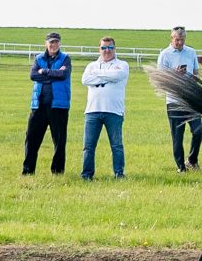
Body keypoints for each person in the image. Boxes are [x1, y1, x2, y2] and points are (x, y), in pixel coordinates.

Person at [80, 36, 129, 180]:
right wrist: (108, 77)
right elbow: (85, 80)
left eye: (110, 48)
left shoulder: (122, 64)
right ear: (99, 49)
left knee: (116, 145)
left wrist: (97, 76)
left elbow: (118, 75)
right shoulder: (91, 65)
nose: (107, 51)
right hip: (92, 111)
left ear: (114, 49)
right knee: (88, 146)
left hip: (114, 111)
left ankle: (119, 173)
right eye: (103, 48)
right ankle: (87, 175)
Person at [23, 31, 72, 175]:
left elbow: (63, 75)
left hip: (58, 106)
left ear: (60, 43)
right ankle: (28, 171)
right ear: (46, 43)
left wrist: (44, 71)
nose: (53, 45)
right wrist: (53, 74)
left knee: (59, 141)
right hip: (38, 106)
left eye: (56, 42)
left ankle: (57, 172)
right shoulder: (38, 58)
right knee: (31, 139)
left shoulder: (65, 58)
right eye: (51, 42)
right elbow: (33, 75)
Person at [157, 26, 202, 172]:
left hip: (191, 98)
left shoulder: (191, 52)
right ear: (172, 38)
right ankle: (181, 168)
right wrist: (174, 74)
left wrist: (191, 77)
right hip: (174, 101)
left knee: (198, 131)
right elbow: (160, 80)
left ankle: (192, 160)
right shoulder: (165, 55)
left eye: (182, 40)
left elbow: (197, 74)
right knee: (178, 136)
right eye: (177, 40)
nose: (180, 43)